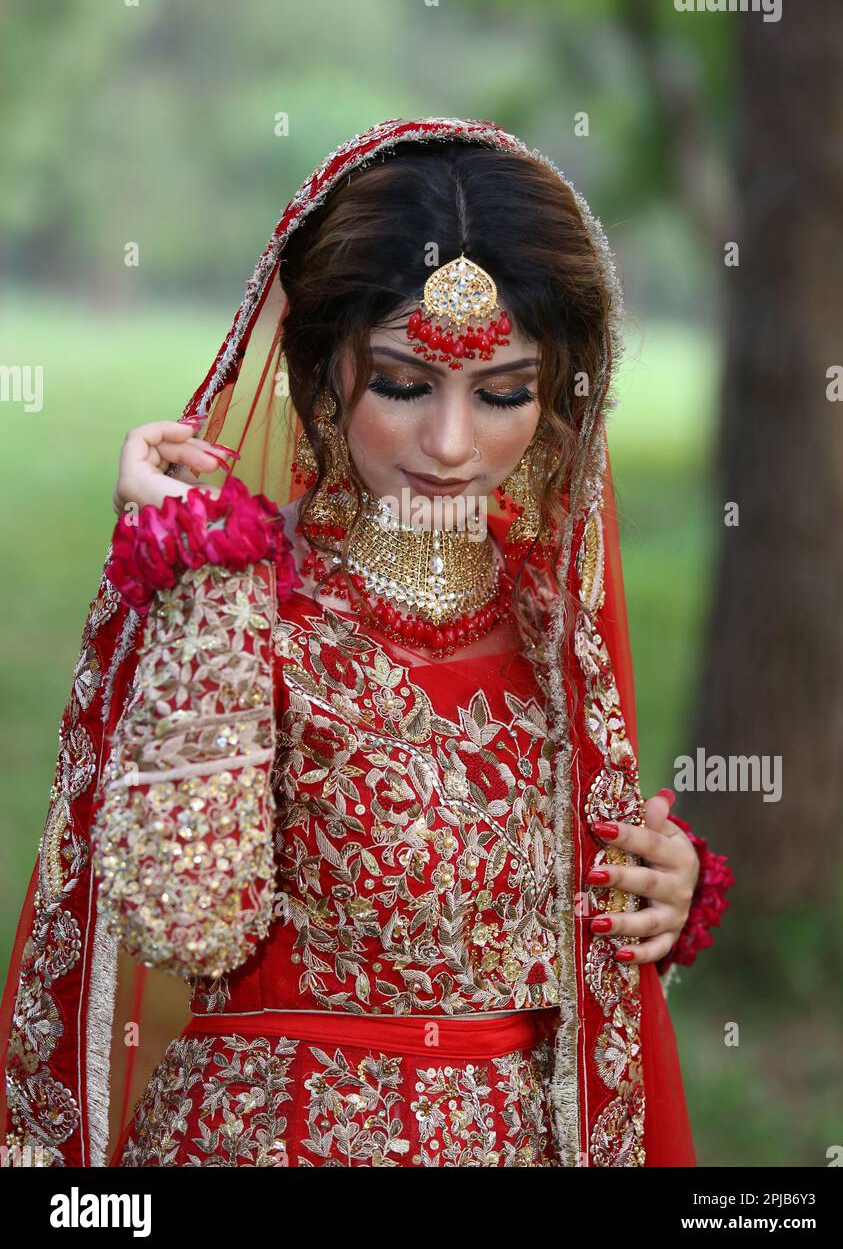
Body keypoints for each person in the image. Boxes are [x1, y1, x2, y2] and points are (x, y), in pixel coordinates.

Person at [0, 116, 732, 1168]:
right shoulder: (244, 599)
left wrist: (651, 890)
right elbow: (186, 920)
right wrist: (197, 581)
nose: (448, 444)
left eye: (501, 393)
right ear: (318, 376)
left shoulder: (547, 623)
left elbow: (556, 937)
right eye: (400, 383)